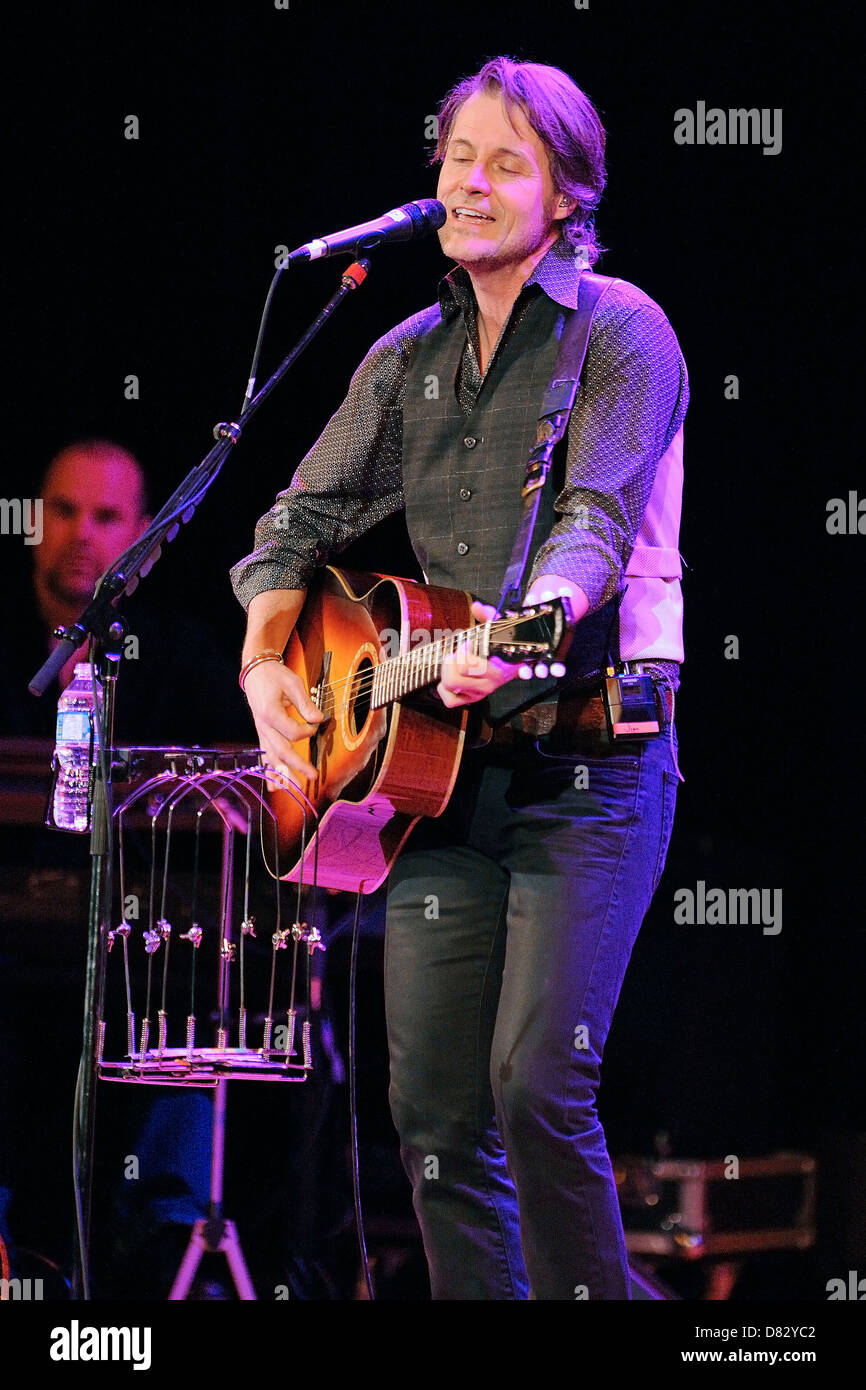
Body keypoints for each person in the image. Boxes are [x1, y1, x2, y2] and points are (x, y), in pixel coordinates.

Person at [230, 56, 689, 1300]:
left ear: (567, 195)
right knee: (431, 1117)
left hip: (586, 766)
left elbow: (592, 516)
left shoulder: (619, 332)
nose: (469, 182)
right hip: (436, 783)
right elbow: (290, 525)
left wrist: (529, 622)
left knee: (535, 1086)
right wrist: (268, 659)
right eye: (456, 156)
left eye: (507, 162)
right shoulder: (400, 356)